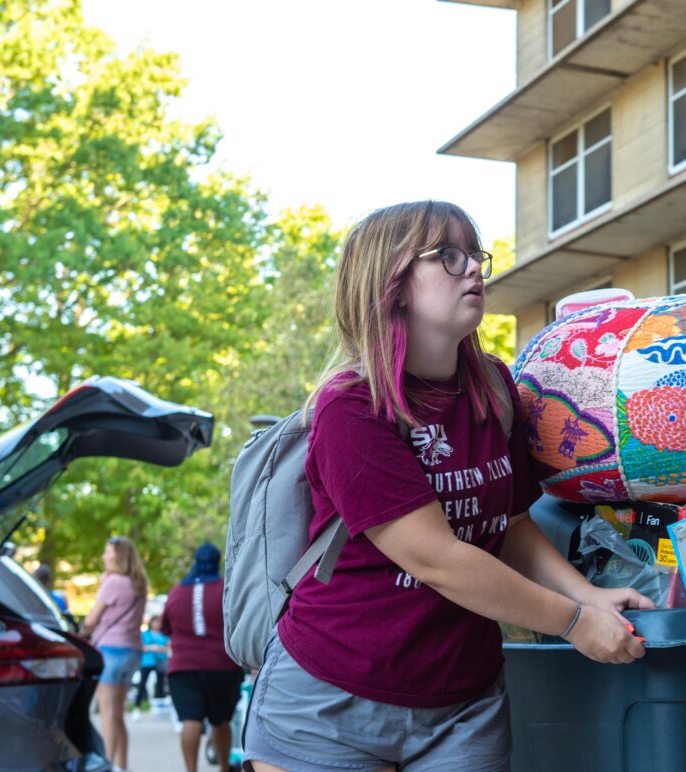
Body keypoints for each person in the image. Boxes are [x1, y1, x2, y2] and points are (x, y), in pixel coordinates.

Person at [243, 200, 653, 772]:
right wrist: (573, 622)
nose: (475, 268)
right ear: (392, 284)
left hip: (464, 704)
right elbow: (437, 559)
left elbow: (511, 526)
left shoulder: (494, 388)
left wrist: (587, 595)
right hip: (329, 697)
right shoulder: (352, 408)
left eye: (475, 254)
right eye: (449, 256)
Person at [162, 543, 244, 772]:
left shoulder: (177, 592)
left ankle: (191, 770)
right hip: (222, 665)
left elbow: (165, 627)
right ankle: (224, 768)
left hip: (184, 666)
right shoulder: (225, 589)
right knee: (221, 720)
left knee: (191, 720)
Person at [81, 535, 148, 772]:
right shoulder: (138, 584)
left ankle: (107, 766)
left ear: (117, 556)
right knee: (118, 715)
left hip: (110, 650)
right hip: (132, 651)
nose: (103, 556)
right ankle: (123, 766)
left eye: (107, 552)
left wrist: (83, 629)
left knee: (107, 714)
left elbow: (91, 620)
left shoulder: (114, 582)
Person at [133, 615, 170, 712]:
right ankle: (137, 706)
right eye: (155, 621)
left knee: (160, 684)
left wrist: (161, 649)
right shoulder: (145, 634)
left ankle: (158, 706)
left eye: (159, 622)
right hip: (147, 662)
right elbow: (139, 647)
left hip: (160, 661)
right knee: (143, 683)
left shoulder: (163, 634)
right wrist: (151, 647)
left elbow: (168, 646)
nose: (157, 624)